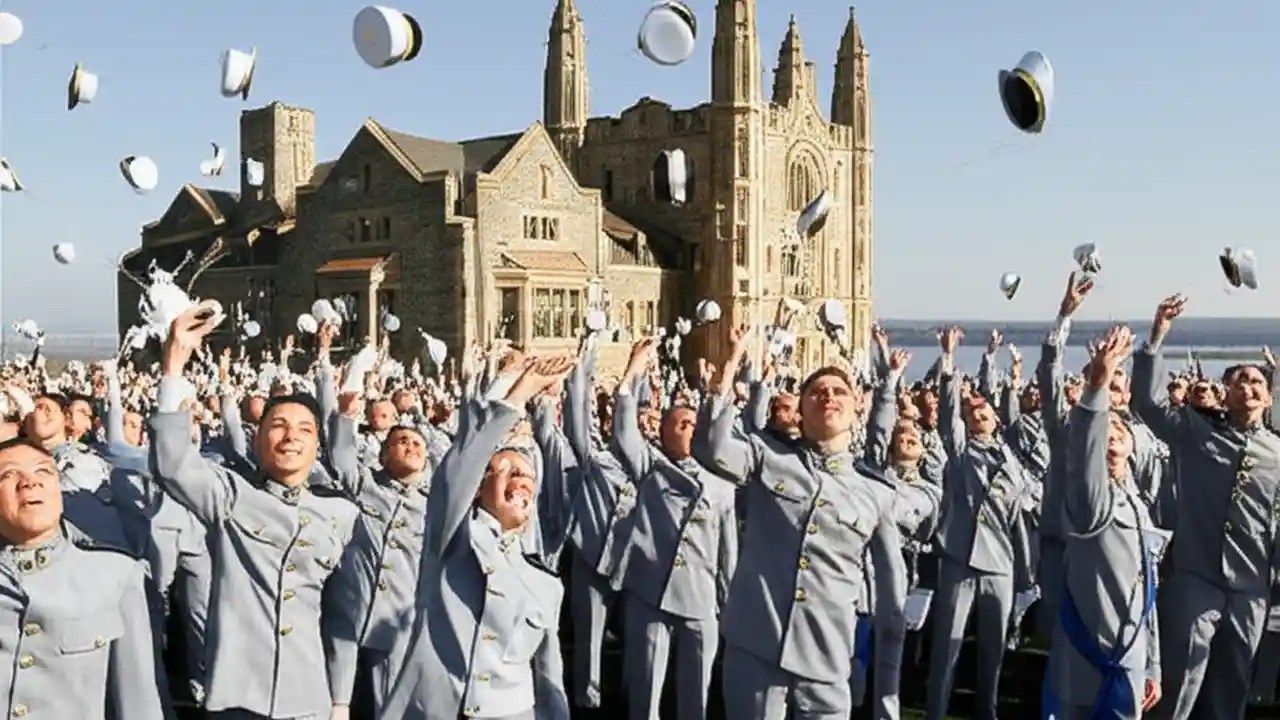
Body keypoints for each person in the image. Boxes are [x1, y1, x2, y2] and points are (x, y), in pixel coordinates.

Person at [149, 303, 357, 720]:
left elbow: (342, 616)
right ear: (257, 439)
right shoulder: (231, 497)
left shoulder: (341, 515)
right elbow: (171, 463)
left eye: (304, 430)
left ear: (318, 445)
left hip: (309, 698)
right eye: (277, 426)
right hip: (237, 698)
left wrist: (340, 700)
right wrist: (174, 364)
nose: (290, 437)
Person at [694, 326, 906, 720]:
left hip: (826, 657)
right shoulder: (767, 457)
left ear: (858, 406)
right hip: (757, 645)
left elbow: (893, 600)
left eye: (839, 391)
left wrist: (886, 696)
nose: (828, 396)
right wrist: (729, 366)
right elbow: (711, 447)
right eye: (816, 392)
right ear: (801, 410)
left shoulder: (877, 494)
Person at [379, 355, 574, 720]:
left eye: (524, 475)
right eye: (501, 470)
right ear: (479, 487)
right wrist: (516, 396)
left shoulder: (545, 583)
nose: (517, 479)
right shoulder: (454, 540)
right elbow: (459, 468)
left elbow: (549, 681)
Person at [0, 435, 165, 719]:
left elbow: (138, 703)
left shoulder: (117, 575)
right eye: (8, 474)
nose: (30, 482)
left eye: (43, 471)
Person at [1046, 325, 1162, 718]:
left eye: (1120, 434)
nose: (1111, 440)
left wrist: (1153, 666)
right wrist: (1097, 385)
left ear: (1133, 445)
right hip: (1087, 659)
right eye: (1105, 433)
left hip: (1131, 658)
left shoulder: (1138, 505)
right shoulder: (1091, 502)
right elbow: (1084, 450)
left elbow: (1148, 589)